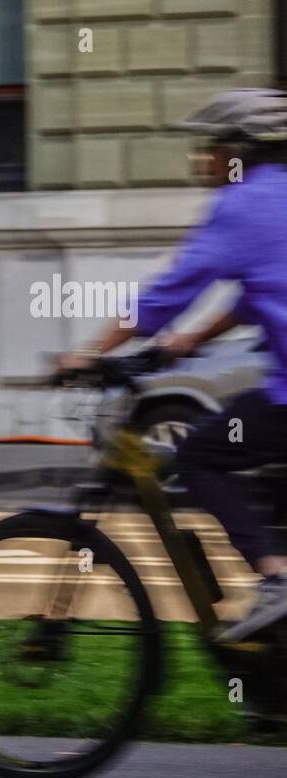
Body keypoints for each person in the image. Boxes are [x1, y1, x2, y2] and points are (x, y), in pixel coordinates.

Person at [61, 89, 287, 643]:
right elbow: (258, 294)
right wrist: (185, 342)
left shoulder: (243, 204)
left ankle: (277, 579)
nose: (203, 161)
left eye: (209, 148)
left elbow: (163, 298)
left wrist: (89, 354)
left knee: (200, 455)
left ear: (239, 150)